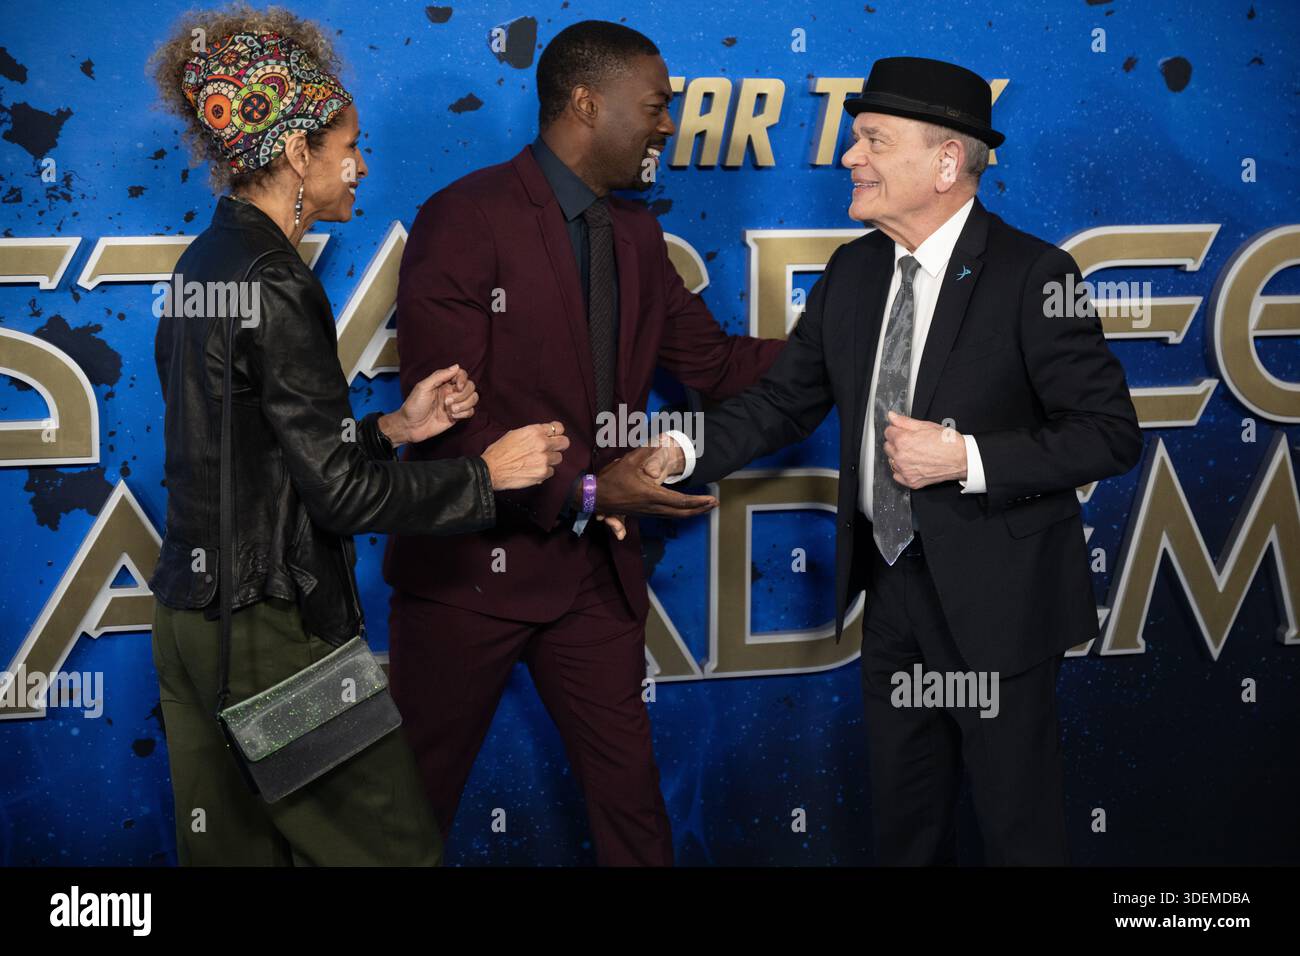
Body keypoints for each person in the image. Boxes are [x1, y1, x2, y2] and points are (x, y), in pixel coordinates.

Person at [637, 56, 1144, 864]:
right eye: (856, 139)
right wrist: (679, 449)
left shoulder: (1034, 276)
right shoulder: (855, 270)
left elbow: (1109, 433)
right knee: (907, 827)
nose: (850, 157)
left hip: (1001, 603)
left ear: (946, 162)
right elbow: (783, 402)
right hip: (892, 589)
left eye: (873, 139)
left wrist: (965, 457)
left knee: (1018, 831)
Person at [146, 5, 566, 866]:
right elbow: (339, 497)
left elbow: (263, 456)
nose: (362, 164)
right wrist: (485, 476)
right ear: (299, 152)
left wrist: (393, 427)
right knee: (392, 853)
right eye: (349, 146)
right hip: (276, 642)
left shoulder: (207, 263)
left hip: (190, 625)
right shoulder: (277, 280)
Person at [385, 20, 784, 866]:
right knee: (407, 816)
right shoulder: (465, 217)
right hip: (467, 580)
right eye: (656, 106)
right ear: (585, 103)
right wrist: (591, 490)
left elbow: (714, 365)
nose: (667, 125)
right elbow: (448, 418)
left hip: (593, 578)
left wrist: (850, 346)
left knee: (633, 815)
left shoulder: (636, 235)